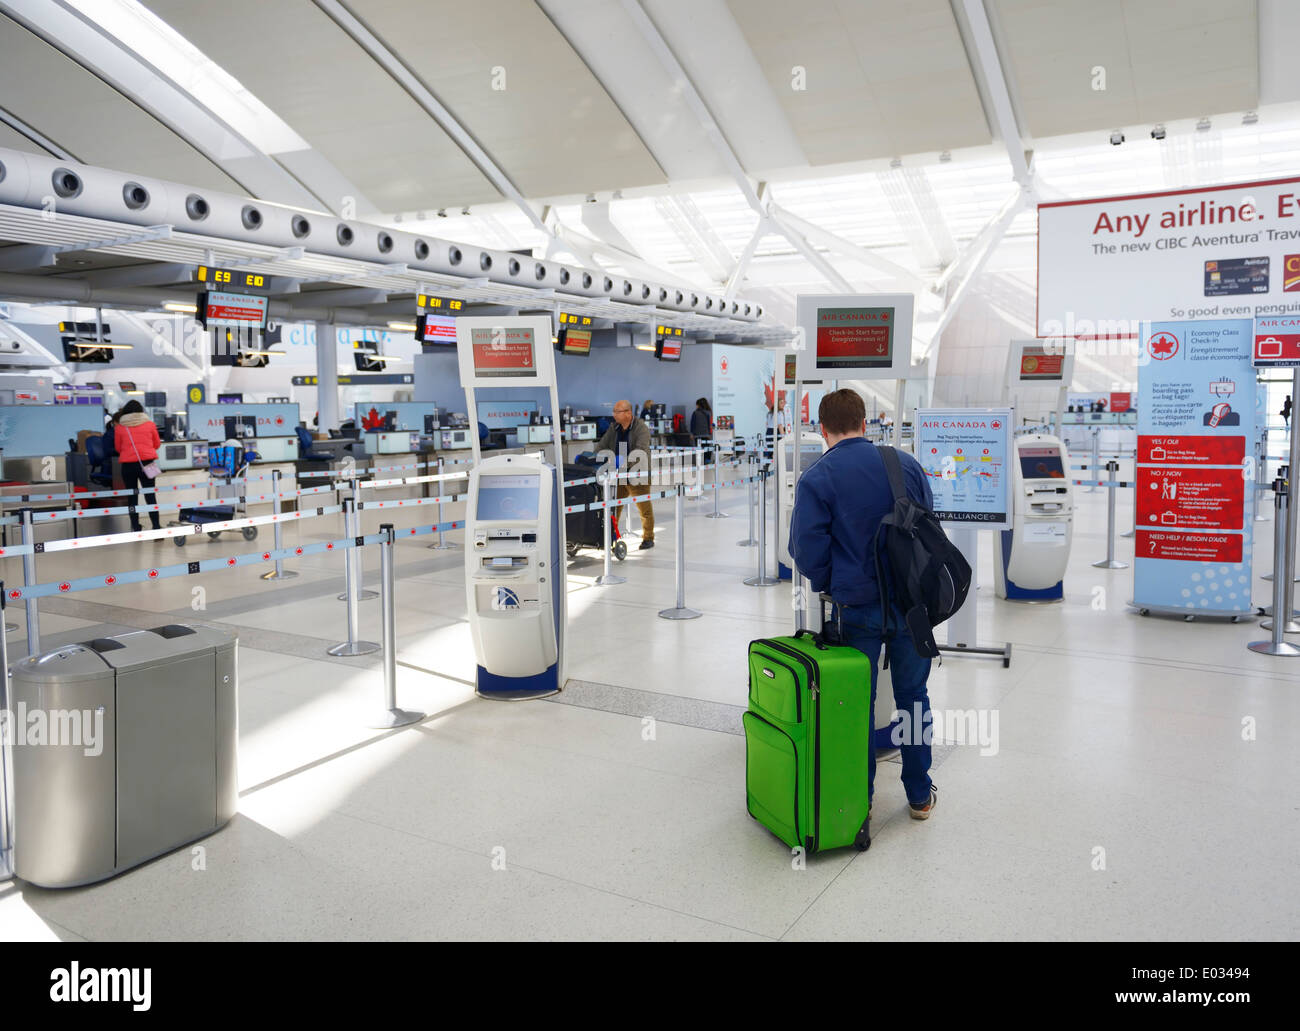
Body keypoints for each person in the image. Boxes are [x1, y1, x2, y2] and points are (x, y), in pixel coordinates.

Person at [789, 388, 938, 820]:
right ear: (865, 422)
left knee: (856, 701)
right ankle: (919, 795)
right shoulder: (904, 464)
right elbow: (928, 524)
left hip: (858, 608)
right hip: (914, 607)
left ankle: (860, 799)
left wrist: (834, 582)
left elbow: (805, 549)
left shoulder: (818, 477)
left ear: (822, 429)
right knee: (913, 696)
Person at [596, 399, 654, 549]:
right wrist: (594, 457)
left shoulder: (641, 428)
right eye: (614, 411)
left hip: (637, 474)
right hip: (619, 475)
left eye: (617, 411)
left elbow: (639, 451)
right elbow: (602, 445)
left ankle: (648, 537)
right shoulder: (613, 428)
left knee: (644, 508)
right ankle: (610, 537)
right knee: (614, 507)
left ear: (628, 413)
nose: (614, 415)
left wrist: (621, 464)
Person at [113, 400, 162, 532]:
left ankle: (135, 528)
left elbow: (118, 448)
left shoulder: (120, 428)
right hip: (148, 462)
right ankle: (156, 527)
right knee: (150, 495)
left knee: (132, 497)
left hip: (128, 466)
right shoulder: (150, 425)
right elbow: (157, 444)